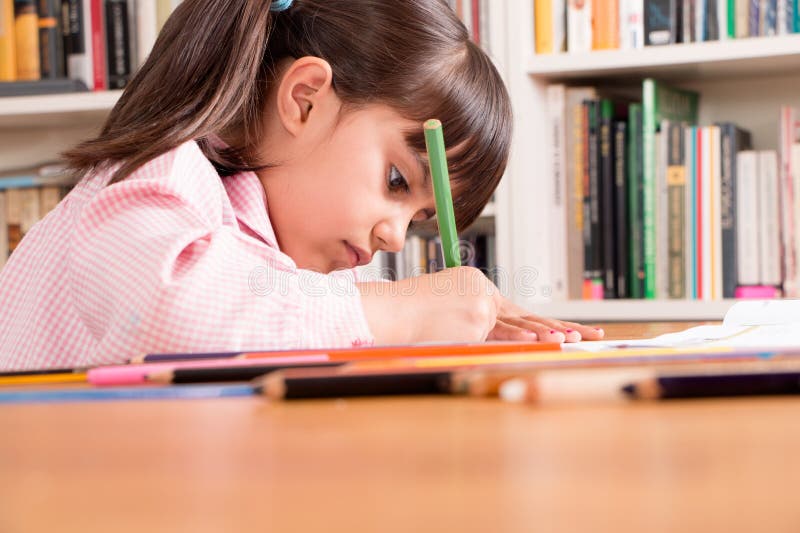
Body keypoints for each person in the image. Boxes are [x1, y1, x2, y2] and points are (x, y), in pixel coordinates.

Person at [0, 0, 603, 370]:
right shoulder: (156, 177)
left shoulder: (285, 251)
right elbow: (173, 316)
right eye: (397, 180)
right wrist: (399, 312)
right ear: (305, 99)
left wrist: (445, 324)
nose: (395, 239)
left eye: (418, 220)